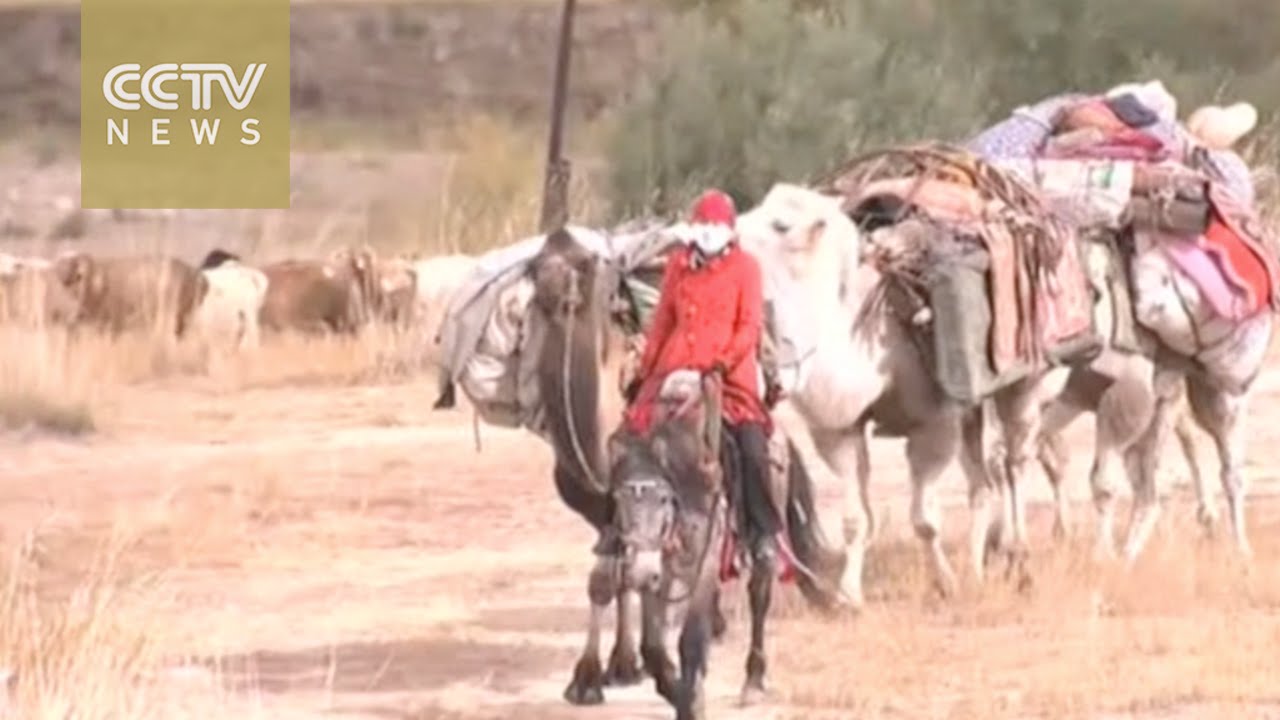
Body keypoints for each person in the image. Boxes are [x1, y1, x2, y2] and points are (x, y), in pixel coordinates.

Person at [623, 188, 787, 576]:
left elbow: (749, 325)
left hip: (727, 375)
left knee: (751, 447)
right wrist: (646, 370)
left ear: (729, 230)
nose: (709, 232)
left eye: (716, 225)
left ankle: (761, 536)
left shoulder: (747, 267)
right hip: (674, 364)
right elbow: (663, 321)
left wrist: (722, 362)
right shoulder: (678, 265)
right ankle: (621, 531)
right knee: (631, 437)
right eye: (703, 224)